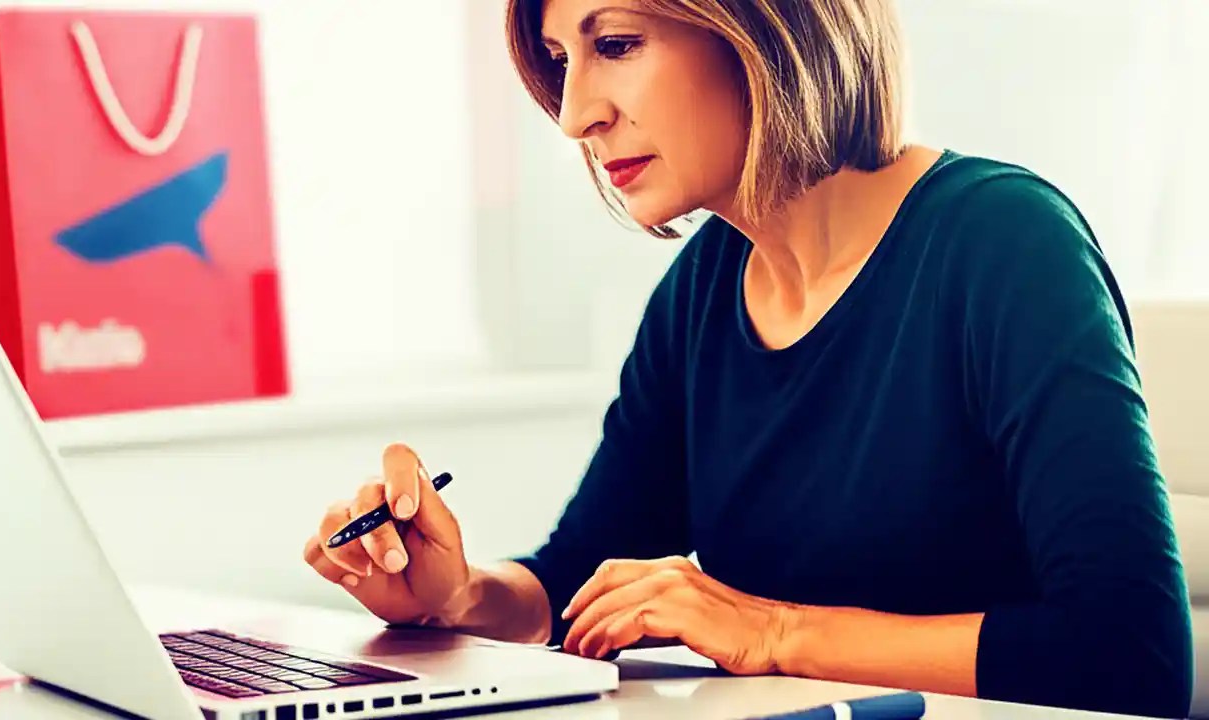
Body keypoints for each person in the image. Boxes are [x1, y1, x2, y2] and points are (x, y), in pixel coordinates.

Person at [303, 0, 1194, 716]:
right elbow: (574, 579)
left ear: (764, 29)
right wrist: (456, 596)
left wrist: (770, 631)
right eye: (563, 60)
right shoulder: (704, 285)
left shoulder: (1005, 243)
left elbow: (1131, 656)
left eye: (615, 42)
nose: (576, 114)